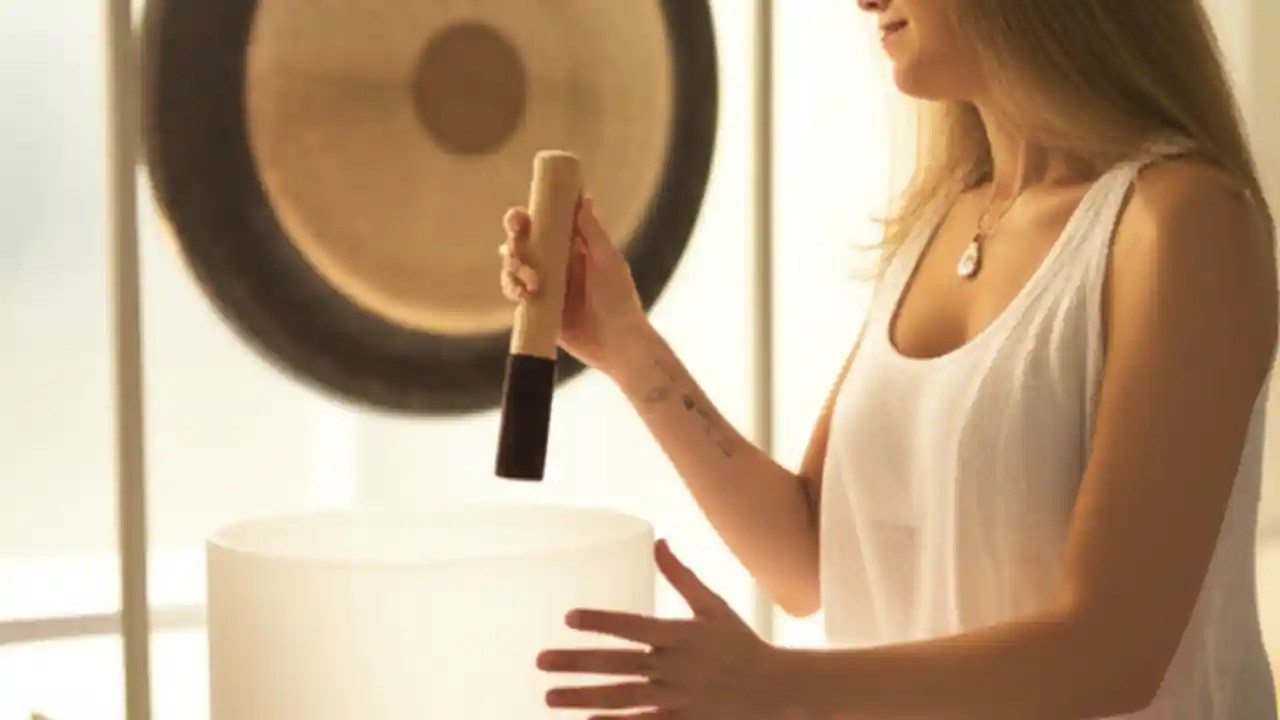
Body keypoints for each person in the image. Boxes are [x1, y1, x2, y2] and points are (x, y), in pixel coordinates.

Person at [498, 1, 1278, 717]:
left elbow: (1114, 654)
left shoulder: (1184, 224)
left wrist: (770, 684)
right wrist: (627, 343)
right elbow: (811, 558)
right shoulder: (940, 223)